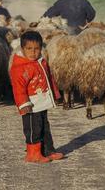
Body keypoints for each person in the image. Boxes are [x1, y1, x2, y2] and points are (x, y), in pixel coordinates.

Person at [9, 30, 64, 163]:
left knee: (44, 126)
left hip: (42, 101)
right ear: (22, 49)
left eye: (37, 49)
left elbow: (48, 78)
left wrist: (55, 94)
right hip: (30, 104)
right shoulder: (19, 67)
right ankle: (33, 154)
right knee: (33, 128)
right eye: (29, 49)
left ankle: (48, 151)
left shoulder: (41, 62)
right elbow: (18, 88)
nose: (33, 52)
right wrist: (23, 104)